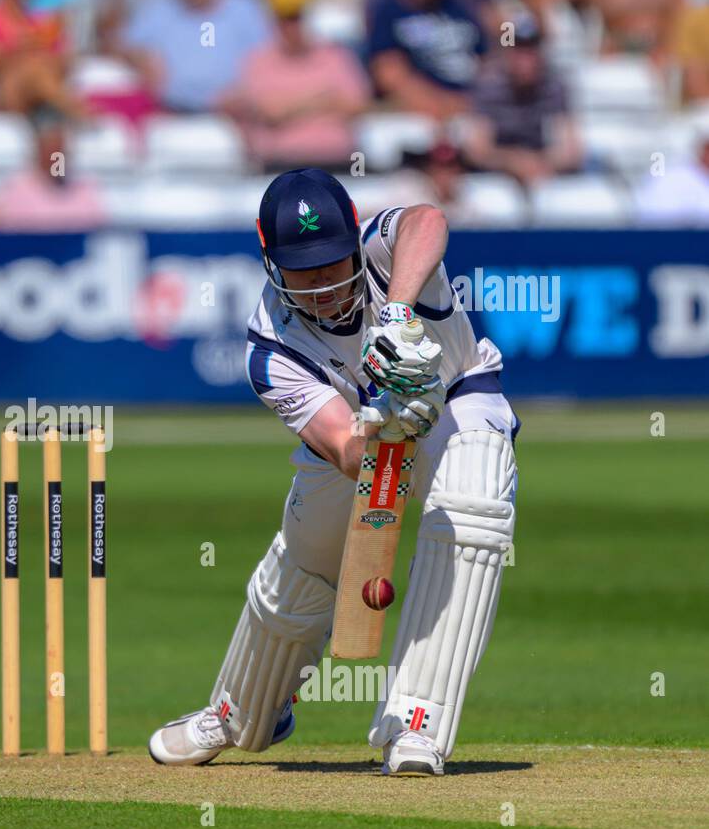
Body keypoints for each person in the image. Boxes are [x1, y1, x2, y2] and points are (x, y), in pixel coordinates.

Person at [148, 169, 518, 777]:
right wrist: (391, 417)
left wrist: (396, 313)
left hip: (456, 400)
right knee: (306, 566)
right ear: (272, 265)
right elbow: (347, 452)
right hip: (363, 440)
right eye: (303, 269)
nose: (322, 283)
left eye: (331, 261)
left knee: (473, 510)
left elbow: (429, 219)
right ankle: (238, 713)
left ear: (355, 240)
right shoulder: (271, 349)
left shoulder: (382, 250)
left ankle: (414, 723)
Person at [221, 0, 370, 172]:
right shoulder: (258, 61)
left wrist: (291, 106)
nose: (293, 28)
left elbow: (356, 106)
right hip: (281, 164)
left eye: (297, 18)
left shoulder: (335, 55)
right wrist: (323, 98)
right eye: (286, 20)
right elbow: (271, 112)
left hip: (337, 160)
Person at [464, 17, 581, 187]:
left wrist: (541, 163)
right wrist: (513, 161)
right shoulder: (488, 85)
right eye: (519, 51)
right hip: (495, 173)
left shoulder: (553, 86)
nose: (526, 61)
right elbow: (477, 150)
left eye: (531, 51)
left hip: (543, 168)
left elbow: (571, 149)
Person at [114, 0, 271, 113]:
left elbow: (269, 56)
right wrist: (140, 58)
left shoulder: (244, 10)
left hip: (231, 119)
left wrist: (247, 89)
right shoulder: (159, 8)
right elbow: (123, 47)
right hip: (168, 114)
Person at [366, 0, 487, 118]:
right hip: (422, 112)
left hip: (474, 104)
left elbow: (485, 58)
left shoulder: (459, 4)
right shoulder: (388, 9)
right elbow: (388, 73)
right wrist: (444, 107)